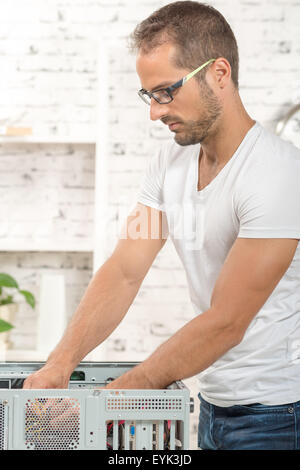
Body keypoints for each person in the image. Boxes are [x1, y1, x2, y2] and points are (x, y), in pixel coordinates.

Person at [23, 1, 300, 450]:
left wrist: (107, 401)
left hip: (277, 417)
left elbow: (226, 322)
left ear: (220, 74)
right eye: (149, 95)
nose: (155, 112)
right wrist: (61, 362)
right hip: (212, 405)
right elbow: (125, 270)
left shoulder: (277, 174)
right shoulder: (170, 161)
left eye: (166, 91)